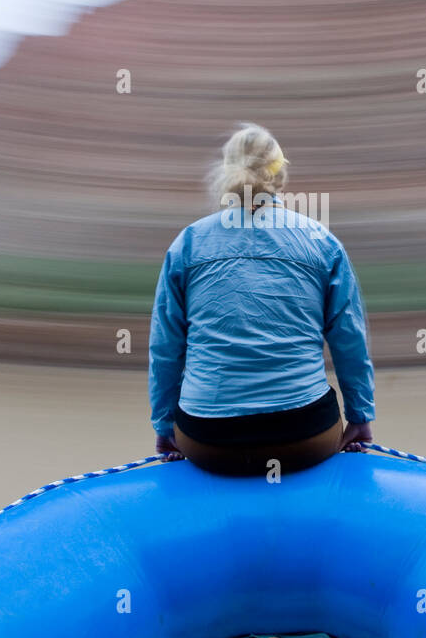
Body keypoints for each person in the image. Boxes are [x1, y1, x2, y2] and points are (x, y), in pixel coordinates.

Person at [148, 123, 375, 475]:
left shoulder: (187, 244)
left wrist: (164, 426)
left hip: (206, 438)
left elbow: (166, 347)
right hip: (306, 433)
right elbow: (350, 340)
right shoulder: (321, 241)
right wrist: (360, 417)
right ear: (281, 176)